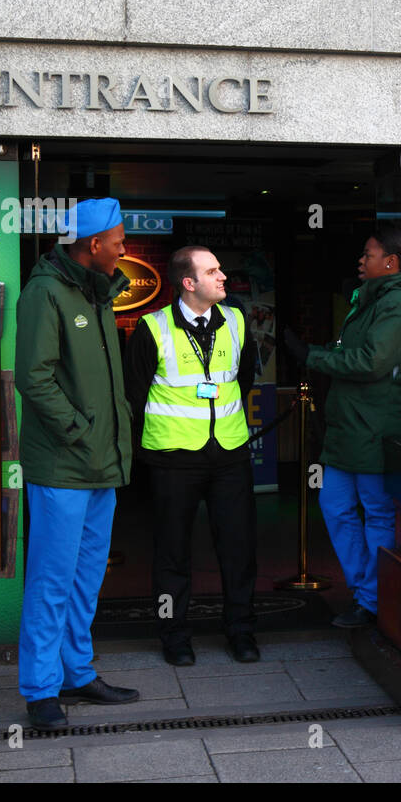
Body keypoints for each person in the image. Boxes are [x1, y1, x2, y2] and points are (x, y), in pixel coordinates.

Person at [15, 196, 139, 730]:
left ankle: (77, 672)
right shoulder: (46, 291)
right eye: (118, 240)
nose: (123, 247)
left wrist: (105, 440)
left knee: (86, 577)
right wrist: (78, 431)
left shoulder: (99, 294)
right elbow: (33, 377)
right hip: (64, 466)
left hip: (100, 466)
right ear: (94, 245)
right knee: (52, 579)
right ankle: (41, 689)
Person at [283, 225, 401, 628]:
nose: (361, 261)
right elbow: (352, 353)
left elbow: (369, 362)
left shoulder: (396, 304)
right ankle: (366, 593)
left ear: (390, 262)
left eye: (368, 254)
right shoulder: (368, 300)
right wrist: (315, 352)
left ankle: (375, 602)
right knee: (335, 508)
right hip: (349, 430)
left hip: (376, 429)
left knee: (377, 515)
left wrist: (311, 356)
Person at [125, 246, 259, 666]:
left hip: (230, 455)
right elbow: (135, 394)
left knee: (238, 549)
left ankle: (241, 631)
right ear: (189, 283)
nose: (223, 277)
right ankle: (174, 635)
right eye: (213, 271)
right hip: (172, 459)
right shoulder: (152, 327)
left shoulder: (236, 320)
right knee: (171, 553)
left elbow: (246, 378)